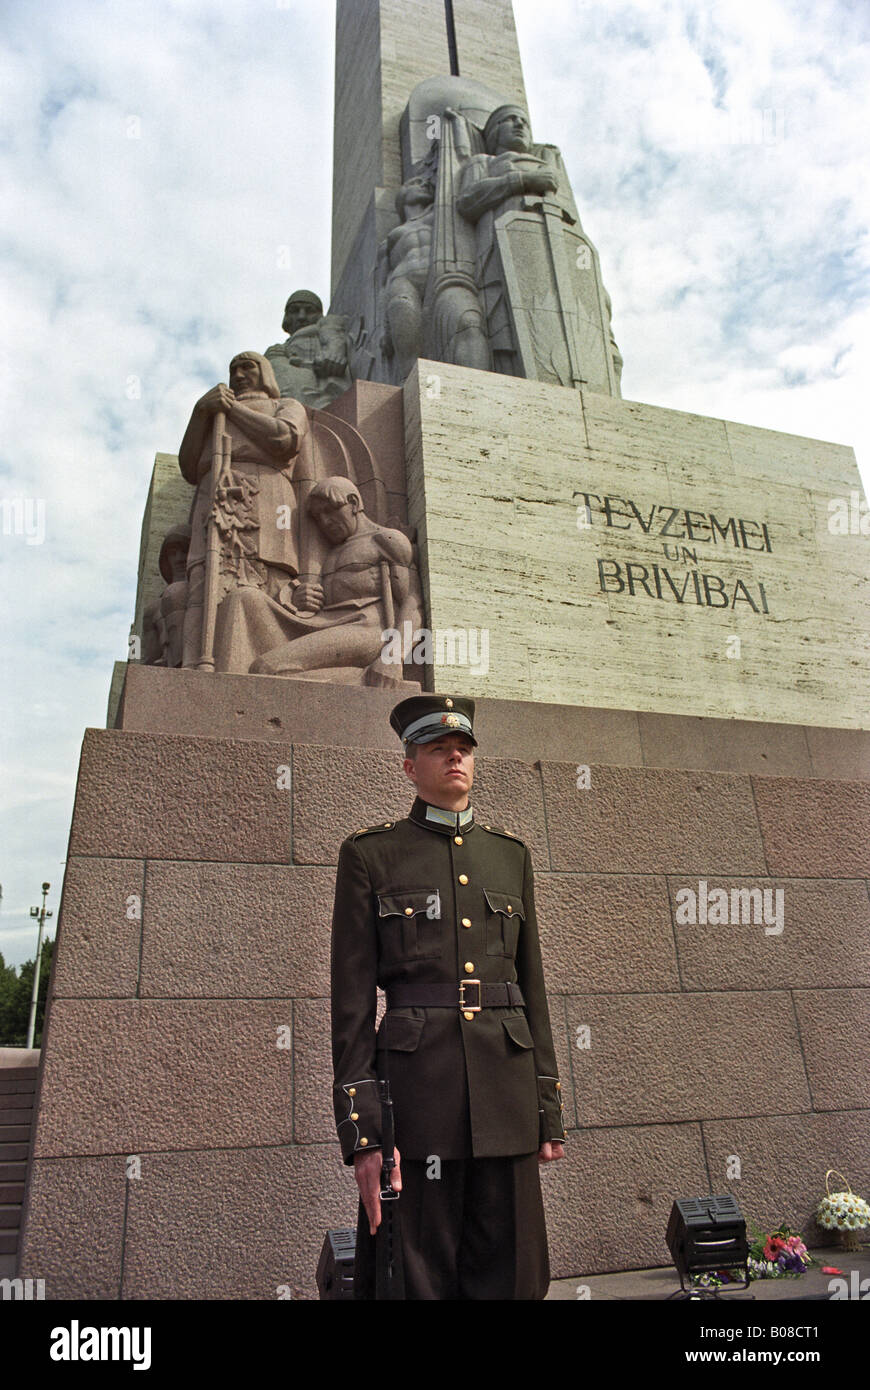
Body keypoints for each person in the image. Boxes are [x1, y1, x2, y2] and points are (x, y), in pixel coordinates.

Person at [330, 693, 566, 1300]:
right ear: (410, 766)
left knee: (511, 1272)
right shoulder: (370, 854)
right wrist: (364, 1134)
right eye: (438, 749)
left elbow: (531, 984)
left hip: (506, 1090)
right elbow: (351, 1001)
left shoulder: (509, 855)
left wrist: (547, 1105)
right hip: (416, 1094)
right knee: (414, 1275)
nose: (454, 758)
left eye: (462, 749)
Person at [177, 350, 308, 670]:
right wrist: (200, 412)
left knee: (265, 580)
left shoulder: (286, 406)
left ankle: (265, 662)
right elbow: (189, 466)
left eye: (247, 367)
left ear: (264, 372)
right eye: (233, 368)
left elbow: (284, 438)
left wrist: (232, 409)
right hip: (215, 497)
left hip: (266, 498)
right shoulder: (211, 414)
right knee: (205, 581)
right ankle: (196, 665)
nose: (238, 374)